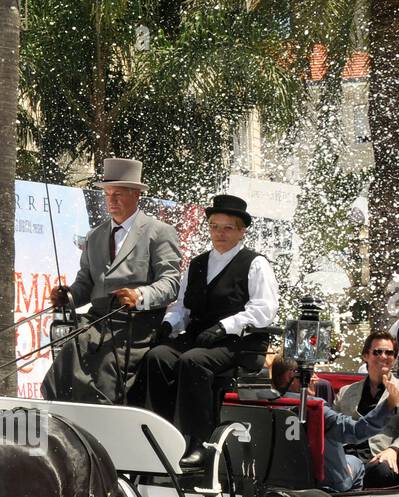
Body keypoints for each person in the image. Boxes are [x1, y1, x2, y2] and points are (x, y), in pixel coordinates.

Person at [133, 194, 279, 469]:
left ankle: (199, 442)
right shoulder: (198, 264)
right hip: (200, 337)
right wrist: (169, 323)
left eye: (227, 228)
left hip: (238, 343)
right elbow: (182, 307)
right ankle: (159, 435)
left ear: (241, 231)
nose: (219, 233)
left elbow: (264, 310)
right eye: (214, 226)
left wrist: (225, 326)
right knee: (158, 357)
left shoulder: (254, 263)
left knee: (193, 362)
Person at [41, 158, 182, 404]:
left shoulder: (158, 232)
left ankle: (103, 421)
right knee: (68, 354)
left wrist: (139, 296)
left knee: (106, 363)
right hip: (96, 321)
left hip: (135, 325)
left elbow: (170, 283)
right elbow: (86, 282)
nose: (111, 200)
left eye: (118, 193)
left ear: (136, 195)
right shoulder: (95, 236)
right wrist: (69, 296)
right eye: (107, 194)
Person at [271, 357, 399, 492]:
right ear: (291, 375)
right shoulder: (315, 408)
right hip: (324, 483)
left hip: (277, 479)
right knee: (356, 463)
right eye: (310, 373)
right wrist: (389, 404)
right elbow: (357, 431)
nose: (315, 378)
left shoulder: (261, 404)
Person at [334, 332, 399, 488]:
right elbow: (333, 426)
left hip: (379, 456)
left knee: (383, 471)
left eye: (389, 353)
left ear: (395, 358)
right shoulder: (345, 392)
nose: (384, 356)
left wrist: (393, 449)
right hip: (346, 454)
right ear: (365, 356)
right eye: (377, 352)